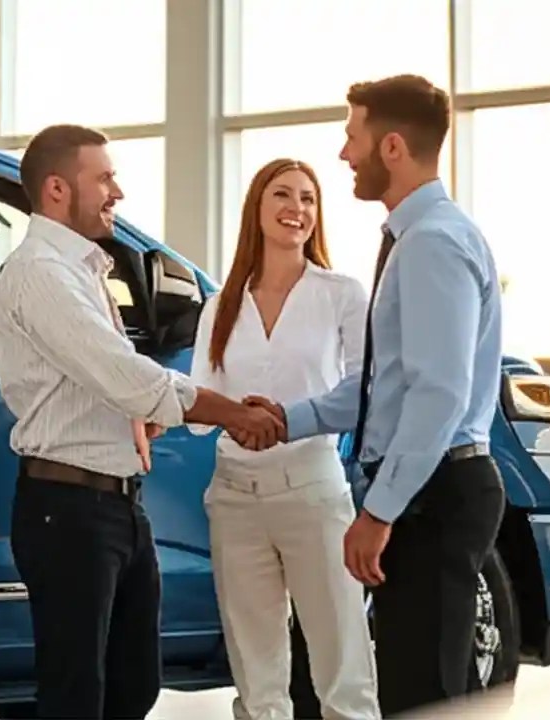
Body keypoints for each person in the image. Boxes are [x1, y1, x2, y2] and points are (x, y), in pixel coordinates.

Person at [0, 123, 284, 720]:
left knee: (133, 687)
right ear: (55, 189)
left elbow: (103, 383)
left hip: (116, 505)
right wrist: (229, 413)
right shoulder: (41, 272)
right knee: (78, 698)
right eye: (102, 178)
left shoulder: (83, 269)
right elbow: (125, 376)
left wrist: (143, 417)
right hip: (67, 510)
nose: (116, 192)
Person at [246, 74, 506, 717]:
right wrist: (286, 419)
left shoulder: (431, 245)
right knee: (415, 687)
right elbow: (380, 391)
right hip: (429, 490)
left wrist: (380, 511)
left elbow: (438, 396)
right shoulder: (417, 238)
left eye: (351, 137)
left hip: (433, 497)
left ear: (391, 147)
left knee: (423, 695)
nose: (344, 155)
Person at [188, 157, 380, 720]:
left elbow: (363, 389)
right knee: (257, 679)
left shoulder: (341, 293)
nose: (296, 209)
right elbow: (201, 408)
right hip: (234, 497)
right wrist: (229, 417)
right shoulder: (221, 306)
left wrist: (285, 417)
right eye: (282, 195)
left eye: (308, 199)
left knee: (343, 669)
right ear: (257, 206)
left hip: (314, 493)